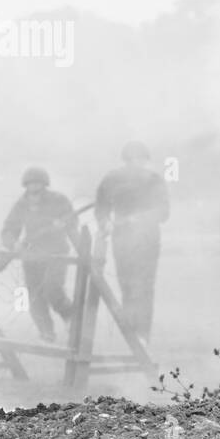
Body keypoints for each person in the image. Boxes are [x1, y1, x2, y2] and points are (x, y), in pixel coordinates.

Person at [95, 141, 169, 342]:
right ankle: (131, 332)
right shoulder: (112, 179)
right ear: (125, 160)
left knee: (144, 286)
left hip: (147, 240)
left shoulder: (154, 180)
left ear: (145, 160)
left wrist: (140, 219)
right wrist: (105, 223)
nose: (136, 163)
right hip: (121, 238)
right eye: (131, 159)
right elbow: (100, 206)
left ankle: (143, 333)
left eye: (140, 159)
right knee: (126, 284)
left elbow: (163, 212)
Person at [1, 166, 74, 342]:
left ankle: (70, 317)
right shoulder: (21, 204)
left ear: (44, 184)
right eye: (30, 183)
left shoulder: (58, 200)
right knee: (34, 296)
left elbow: (71, 219)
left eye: (37, 183)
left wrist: (62, 224)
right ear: (25, 185)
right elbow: (9, 229)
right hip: (31, 255)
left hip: (56, 253)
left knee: (52, 288)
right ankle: (46, 332)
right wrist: (14, 243)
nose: (34, 188)